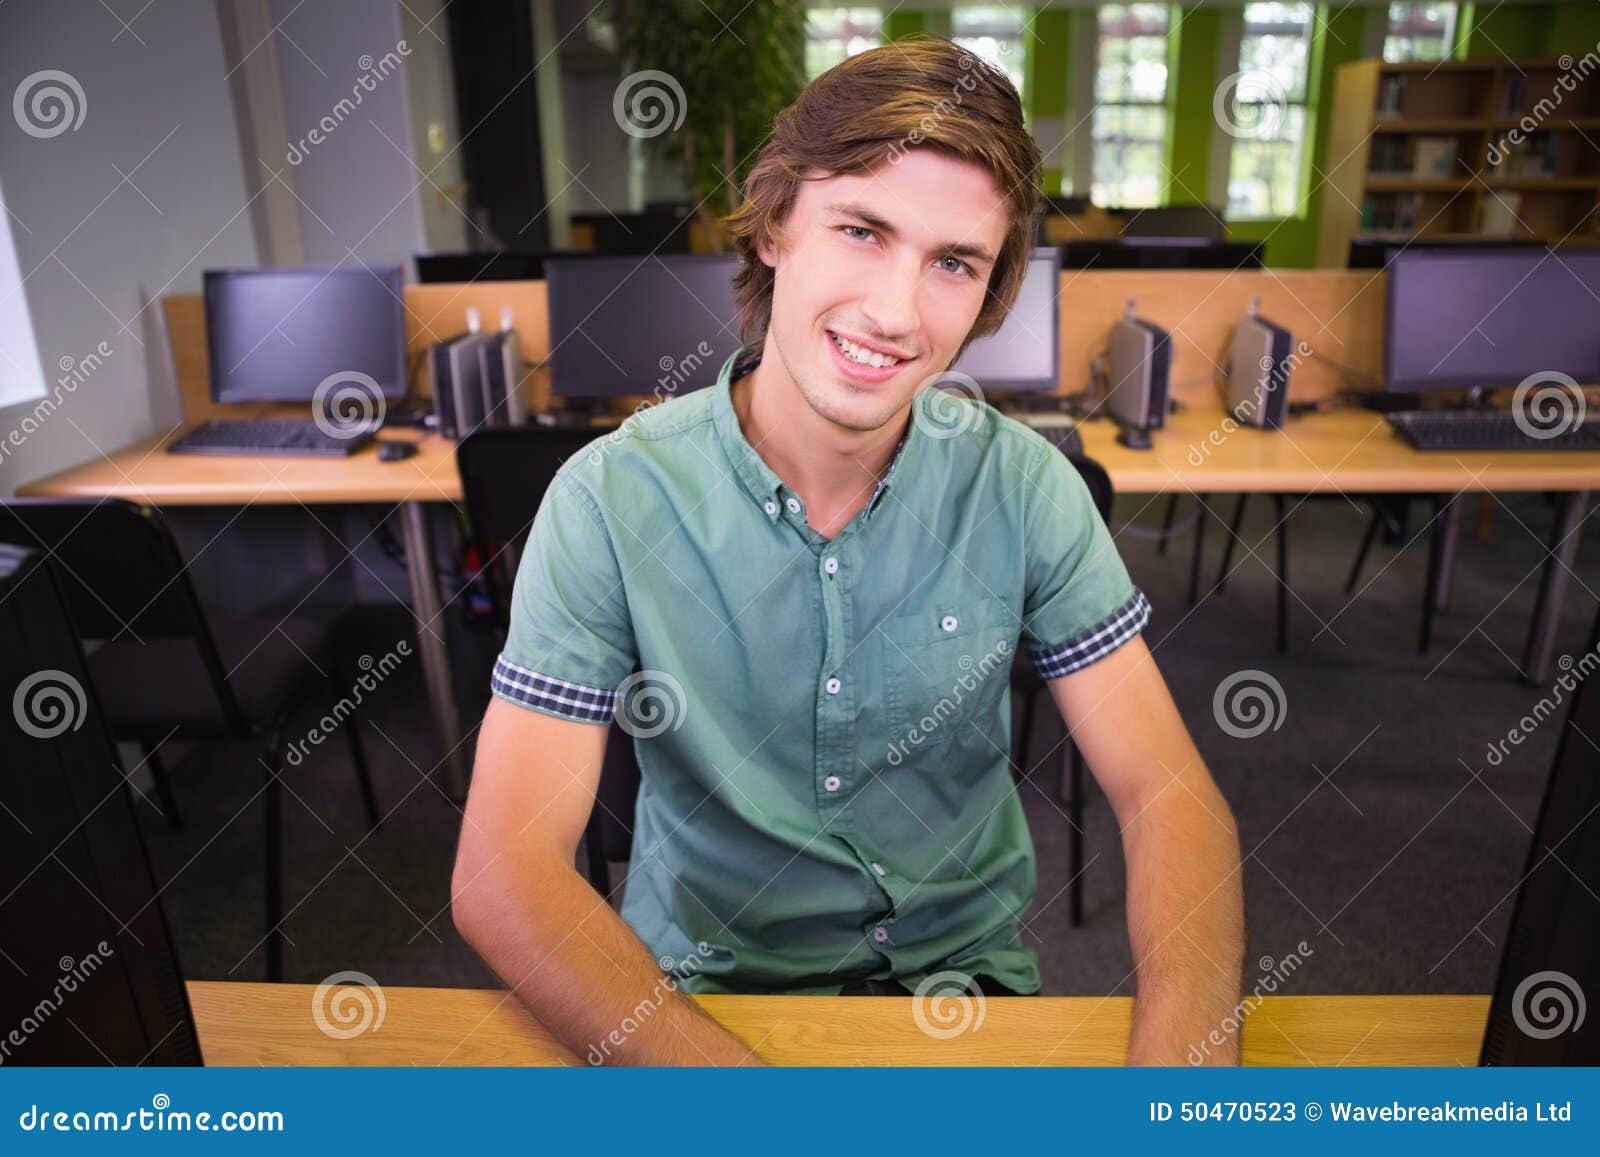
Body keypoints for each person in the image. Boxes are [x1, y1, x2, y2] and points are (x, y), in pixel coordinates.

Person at [453, 36, 1243, 1066]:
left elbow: (1167, 793)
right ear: (776, 224)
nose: (894, 312)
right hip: (697, 1006)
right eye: (862, 230)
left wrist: (1180, 1095)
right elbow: (502, 872)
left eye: (952, 263)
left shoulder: (1023, 486)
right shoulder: (609, 498)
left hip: (961, 995)